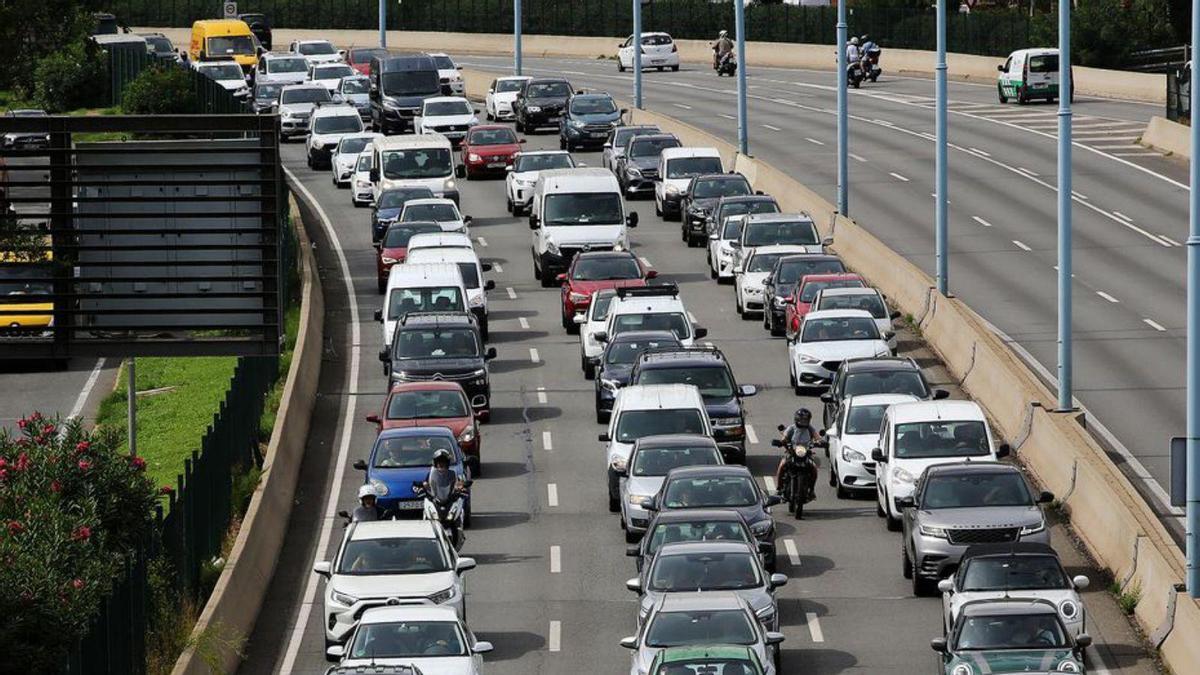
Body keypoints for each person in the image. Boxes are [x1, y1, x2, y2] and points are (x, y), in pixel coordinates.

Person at [775, 408, 821, 497]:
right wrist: (782, 441)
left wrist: (819, 441)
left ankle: (811, 489)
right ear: (797, 419)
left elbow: (817, 436)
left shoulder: (810, 428)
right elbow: (784, 436)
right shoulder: (791, 428)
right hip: (792, 452)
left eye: (806, 420)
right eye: (802, 420)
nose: (804, 422)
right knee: (782, 465)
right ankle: (779, 488)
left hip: (806, 452)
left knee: (814, 468)